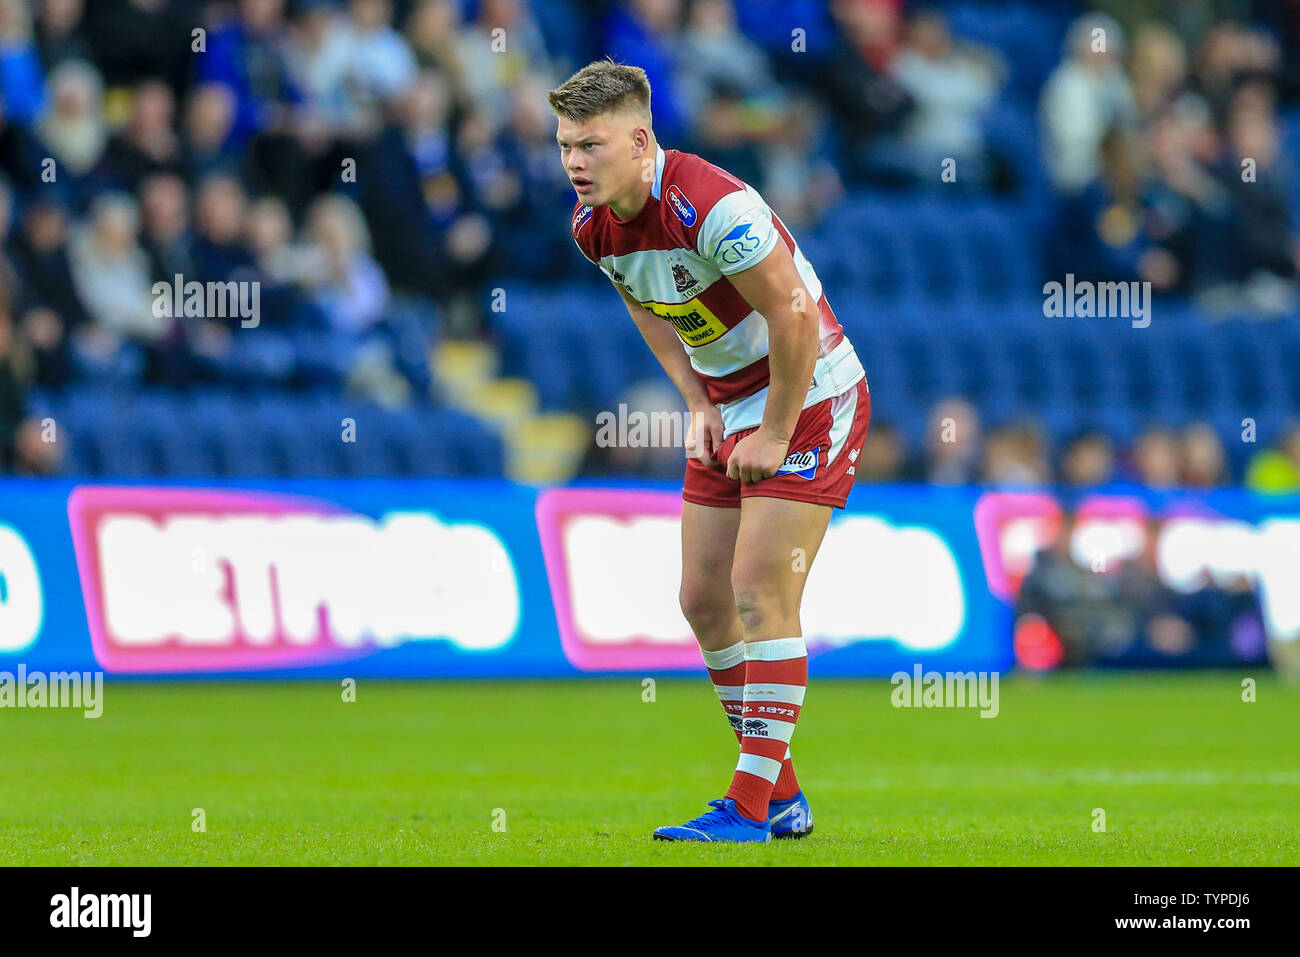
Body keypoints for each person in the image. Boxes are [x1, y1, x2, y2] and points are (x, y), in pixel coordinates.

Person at [548, 59, 870, 843]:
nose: (574, 163)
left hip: (811, 391)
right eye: (564, 146)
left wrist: (775, 428)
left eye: (589, 145)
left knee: (761, 589)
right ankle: (783, 793)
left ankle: (750, 808)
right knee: (702, 597)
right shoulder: (593, 229)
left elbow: (793, 314)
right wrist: (697, 400)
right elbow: (647, 305)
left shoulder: (712, 205)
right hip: (730, 403)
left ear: (639, 139)